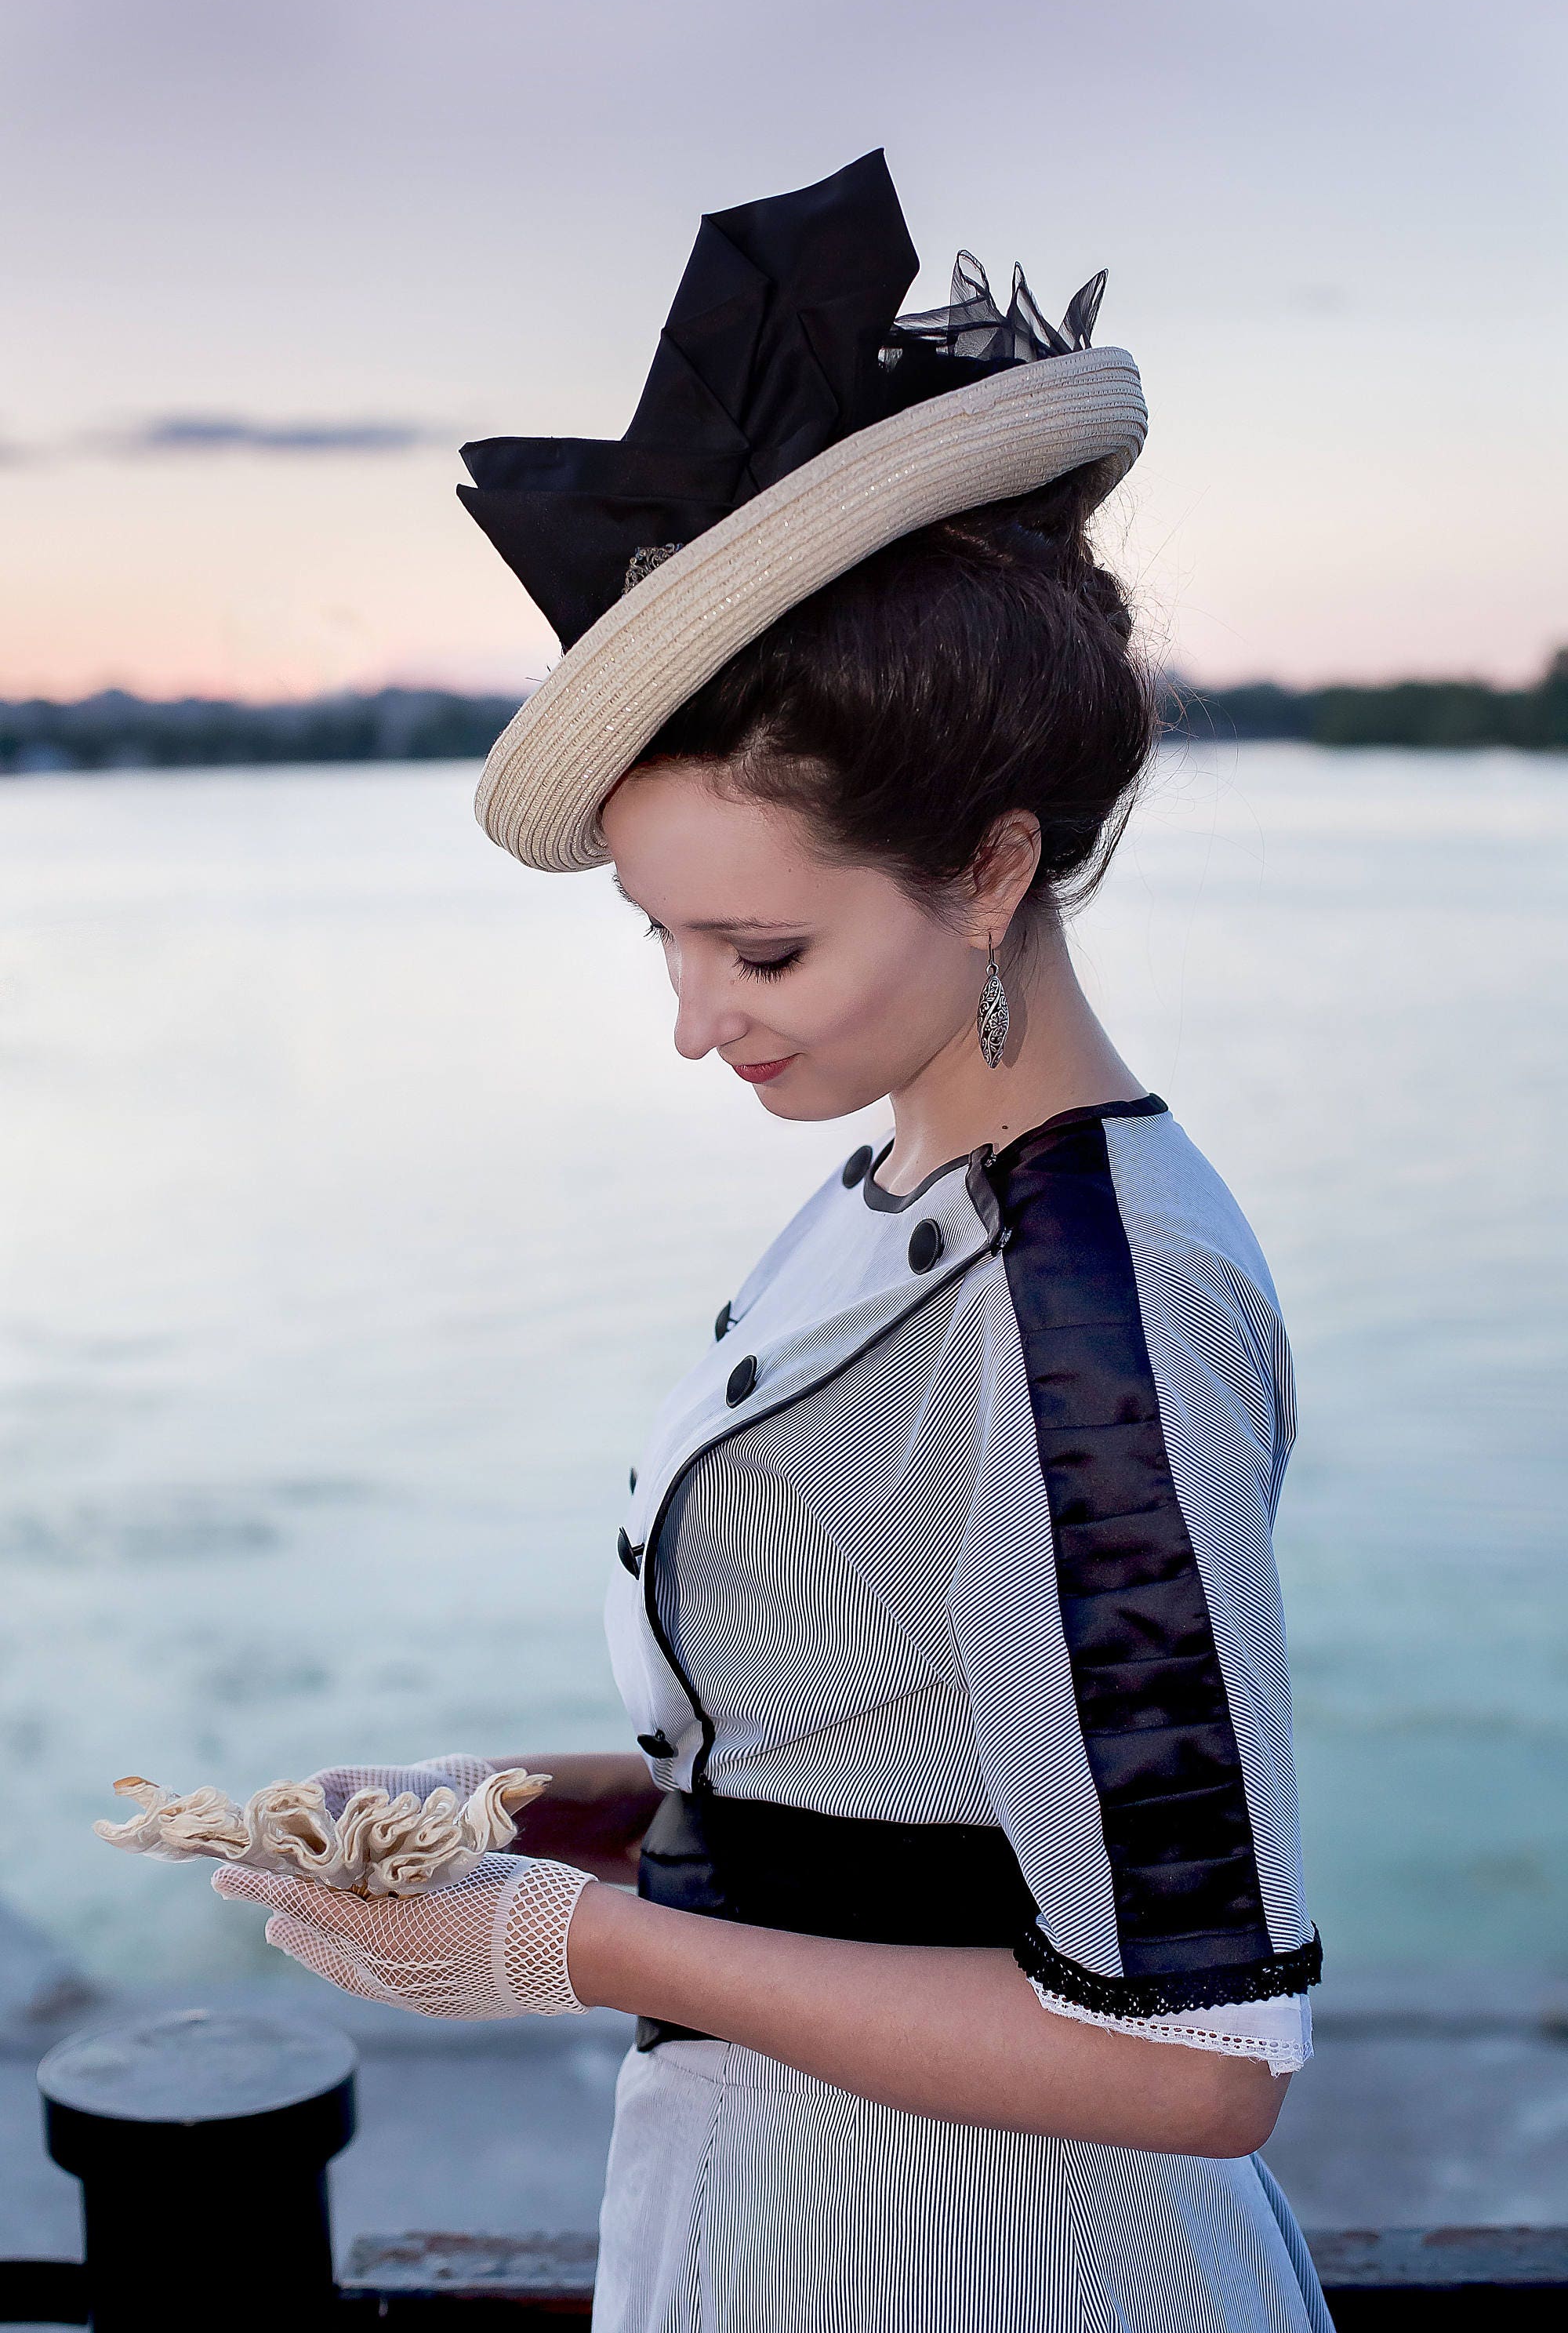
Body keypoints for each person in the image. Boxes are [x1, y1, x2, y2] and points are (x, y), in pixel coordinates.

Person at [215, 154, 1329, 2332]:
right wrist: (533, 1814)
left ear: (994, 868)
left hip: (1014, 2272)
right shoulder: (907, 1177)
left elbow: (1206, 2063)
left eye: (764, 946)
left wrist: (578, 1946)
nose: (694, 1018)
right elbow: (901, 1760)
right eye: (663, 940)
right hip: (811, 2221)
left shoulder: (1096, 1307)